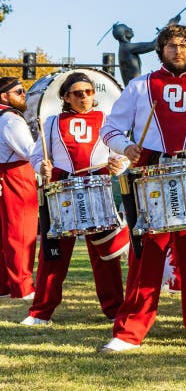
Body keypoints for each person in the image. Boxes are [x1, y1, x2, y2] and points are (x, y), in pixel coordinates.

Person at [99, 24, 186, 352]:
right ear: (161, 49)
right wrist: (125, 147)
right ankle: (129, 331)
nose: (177, 50)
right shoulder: (140, 85)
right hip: (151, 172)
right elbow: (110, 128)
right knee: (147, 254)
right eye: (171, 45)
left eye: (184, 45)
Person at [24, 72, 127, 325]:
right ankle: (41, 313)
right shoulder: (51, 122)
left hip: (98, 190)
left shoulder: (107, 120)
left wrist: (119, 164)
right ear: (66, 97)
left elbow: (125, 153)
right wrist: (42, 167)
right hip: (62, 193)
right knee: (53, 255)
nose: (85, 97)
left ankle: (115, 310)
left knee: (106, 255)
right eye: (78, 93)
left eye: (89, 92)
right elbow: (36, 157)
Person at [0, 77, 38, 300]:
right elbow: (29, 151)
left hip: (5, 175)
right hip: (16, 176)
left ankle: (5, 285)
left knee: (6, 234)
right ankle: (23, 288)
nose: (24, 96)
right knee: (21, 233)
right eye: (19, 92)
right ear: (4, 96)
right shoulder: (11, 120)